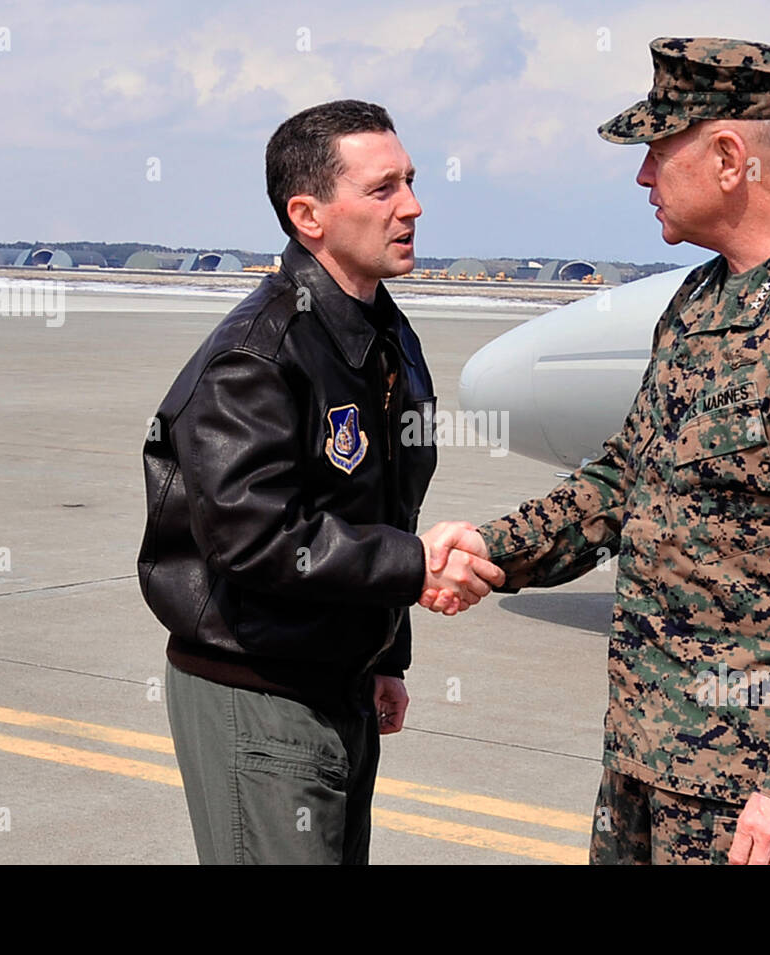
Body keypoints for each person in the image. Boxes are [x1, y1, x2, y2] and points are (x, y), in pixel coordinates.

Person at [423, 37, 770, 865]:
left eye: (658, 152)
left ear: (731, 156)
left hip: (756, 793)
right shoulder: (705, 299)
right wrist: (494, 548)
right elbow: (623, 478)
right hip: (648, 758)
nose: (642, 177)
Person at [136, 99, 503, 865]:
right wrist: (417, 568)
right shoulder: (258, 355)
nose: (413, 205)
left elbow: (380, 504)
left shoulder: (382, 333)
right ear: (308, 214)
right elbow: (256, 536)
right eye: (383, 189)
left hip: (338, 679)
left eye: (410, 180)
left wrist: (386, 654)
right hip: (258, 688)